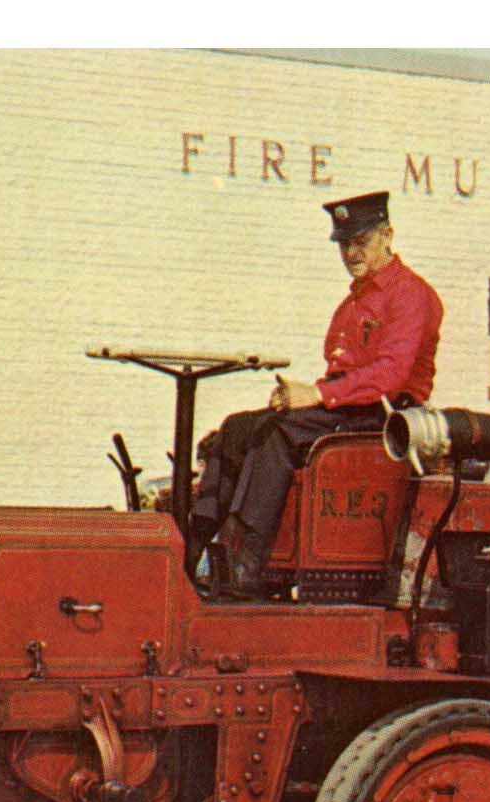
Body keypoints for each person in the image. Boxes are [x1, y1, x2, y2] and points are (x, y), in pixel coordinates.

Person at [189, 190, 444, 598]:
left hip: (387, 416)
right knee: (236, 429)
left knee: (277, 435)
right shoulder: (351, 303)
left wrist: (317, 395)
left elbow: (391, 376)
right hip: (350, 407)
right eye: (344, 244)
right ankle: (197, 545)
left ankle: (248, 566)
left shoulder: (411, 294)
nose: (351, 253)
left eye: (360, 242)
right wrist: (302, 397)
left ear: (387, 236)